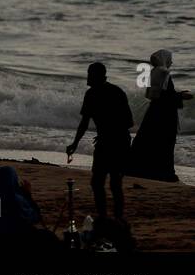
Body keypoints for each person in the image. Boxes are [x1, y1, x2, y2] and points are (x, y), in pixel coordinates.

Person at [67, 62, 133, 220]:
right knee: (101, 183)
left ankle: (115, 218)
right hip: (107, 142)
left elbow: (129, 122)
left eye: (90, 74)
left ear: (98, 76)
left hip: (117, 142)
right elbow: (84, 122)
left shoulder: (113, 93)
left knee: (111, 183)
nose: (87, 77)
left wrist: (108, 132)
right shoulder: (94, 94)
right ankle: (107, 218)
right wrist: (75, 143)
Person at [129, 49, 190, 182]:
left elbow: (155, 95)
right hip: (164, 115)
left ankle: (140, 169)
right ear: (164, 59)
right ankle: (164, 173)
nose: (171, 62)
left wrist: (177, 94)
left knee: (150, 140)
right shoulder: (164, 72)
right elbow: (165, 96)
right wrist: (181, 95)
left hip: (154, 112)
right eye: (170, 59)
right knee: (164, 142)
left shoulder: (153, 72)